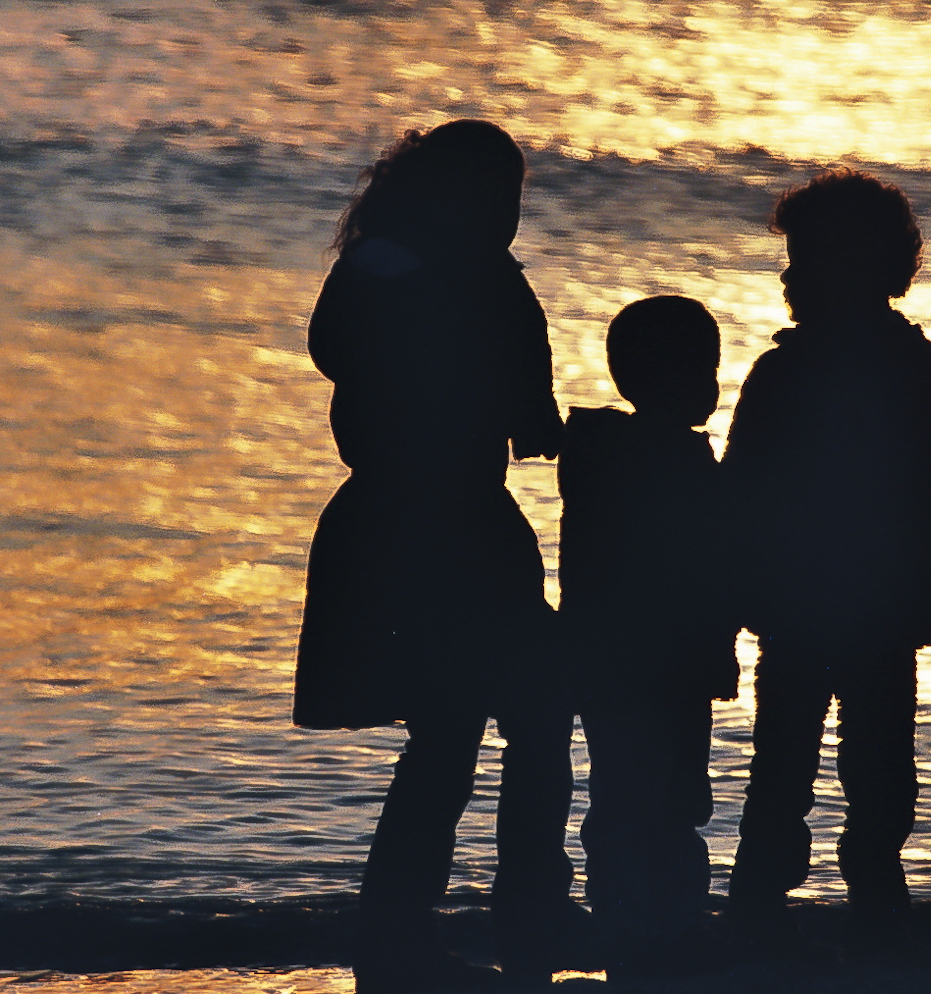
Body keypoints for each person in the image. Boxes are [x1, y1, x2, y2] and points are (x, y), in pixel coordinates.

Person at [292, 120, 579, 992]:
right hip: (426, 520)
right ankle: (465, 918)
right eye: (497, 197)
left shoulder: (434, 267)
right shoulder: (407, 266)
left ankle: (475, 915)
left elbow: (532, 418)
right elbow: (335, 343)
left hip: (441, 516)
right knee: (474, 724)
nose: (507, 215)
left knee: (493, 721)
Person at [724, 170, 931, 955]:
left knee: (858, 764)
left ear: (862, 268)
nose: (789, 277)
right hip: (827, 610)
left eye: (804, 261)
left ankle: (850, 891)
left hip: (855, 609)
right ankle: (775, 894)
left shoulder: (866, 370)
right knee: (799, 761)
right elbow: (745, 494)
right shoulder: (823, 368)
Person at [556, 296, 740, 980]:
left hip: (630, 666)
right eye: (705, 369)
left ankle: (641, 921)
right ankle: (655, 924)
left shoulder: (605, 455)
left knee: (642, 794)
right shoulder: (667, 462)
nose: (715, 385)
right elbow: (707, 566)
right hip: (658, 667)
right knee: (655, 796)